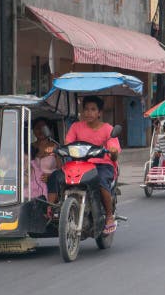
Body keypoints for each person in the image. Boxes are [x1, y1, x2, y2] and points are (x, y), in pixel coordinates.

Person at [47, 96, 120, 234]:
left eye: (93, 110)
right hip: (78, 164)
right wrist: (56, 149)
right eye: (86, 109)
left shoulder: (107, 129)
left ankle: (109, 216)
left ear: (99, 113)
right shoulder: (76, 127)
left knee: (101, 181)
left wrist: (113, 151)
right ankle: (51, 210)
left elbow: (114, 151)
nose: (88, 113)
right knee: (55, 177)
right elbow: (67, 144)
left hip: (102, 165)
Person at [29, 117, 60, 199]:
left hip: (52, 183)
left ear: (48, 130)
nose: (40, 130)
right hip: (32, 183)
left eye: (43, 128)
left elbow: (61, 169)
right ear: (33, 130)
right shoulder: (29, 147)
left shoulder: (55, 147)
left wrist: (50, 176)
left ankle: (49, 208)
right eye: (37, 128)